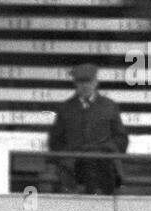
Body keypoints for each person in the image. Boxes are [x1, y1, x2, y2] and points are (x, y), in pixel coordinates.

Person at [48, 63, 129, 195]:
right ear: (75, 84)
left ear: (96, 82)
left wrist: (106, 149)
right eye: (81, 82)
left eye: (89, 81)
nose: (85, 85)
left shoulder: (109, 106)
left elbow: (121, 138)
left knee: (100, 168)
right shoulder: (66, 108)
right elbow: (55, 141)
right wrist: (69, 155)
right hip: (74, 167)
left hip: (104, 165)